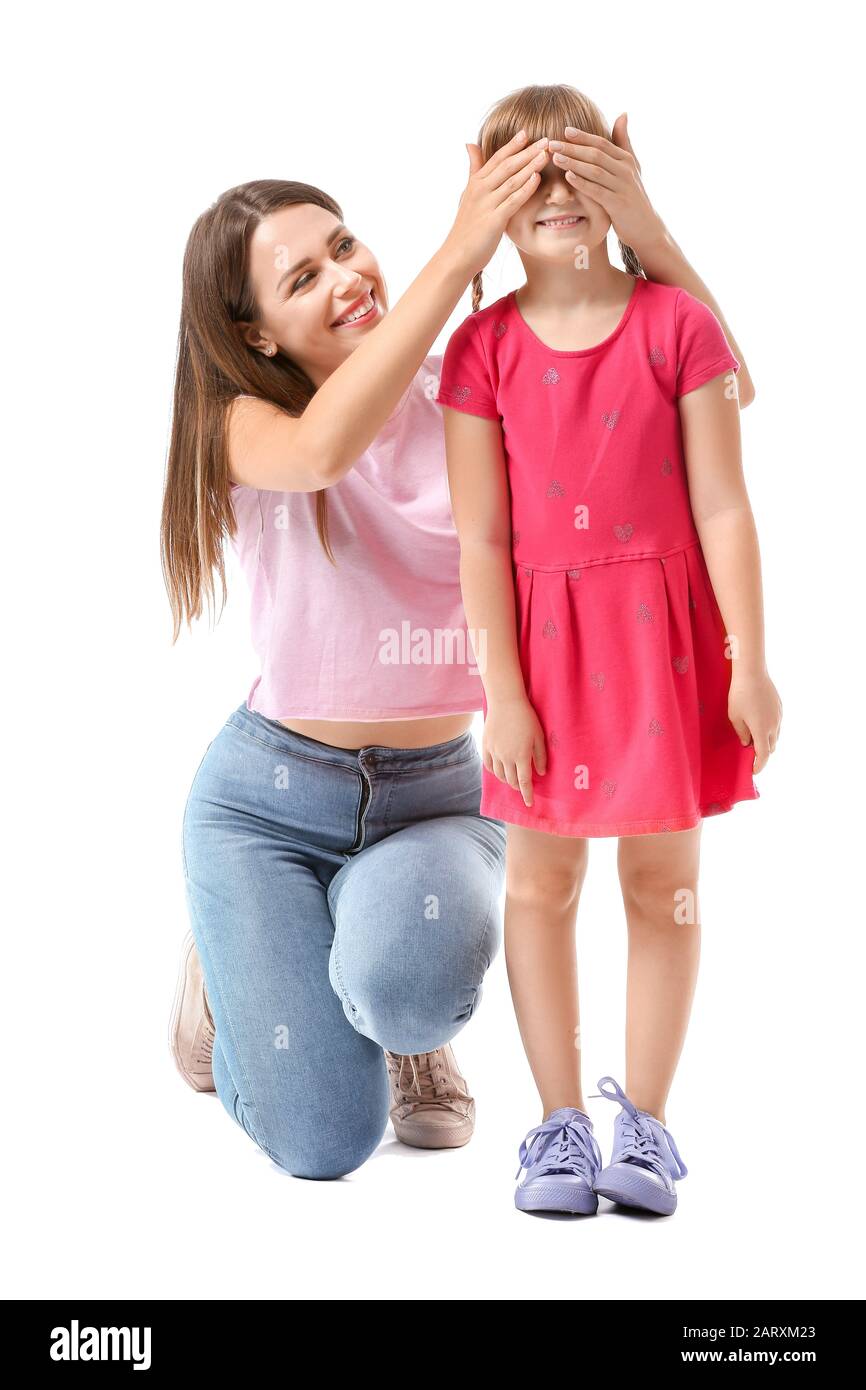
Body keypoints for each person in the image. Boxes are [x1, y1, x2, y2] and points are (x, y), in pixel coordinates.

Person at [437, 84, 781, 1215]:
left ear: (617, 179)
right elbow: (482, 535)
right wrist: (504, 689)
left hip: (661, 648)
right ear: (483, 187)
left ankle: (645, 1118)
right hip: (539, 650)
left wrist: (748, 657)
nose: (553, 194)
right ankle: (554, 1128)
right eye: (522, 174)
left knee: (661, 881)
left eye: (574, 165)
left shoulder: (677, 324)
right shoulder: (477, 351)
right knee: (537, 885)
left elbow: (724, 506)